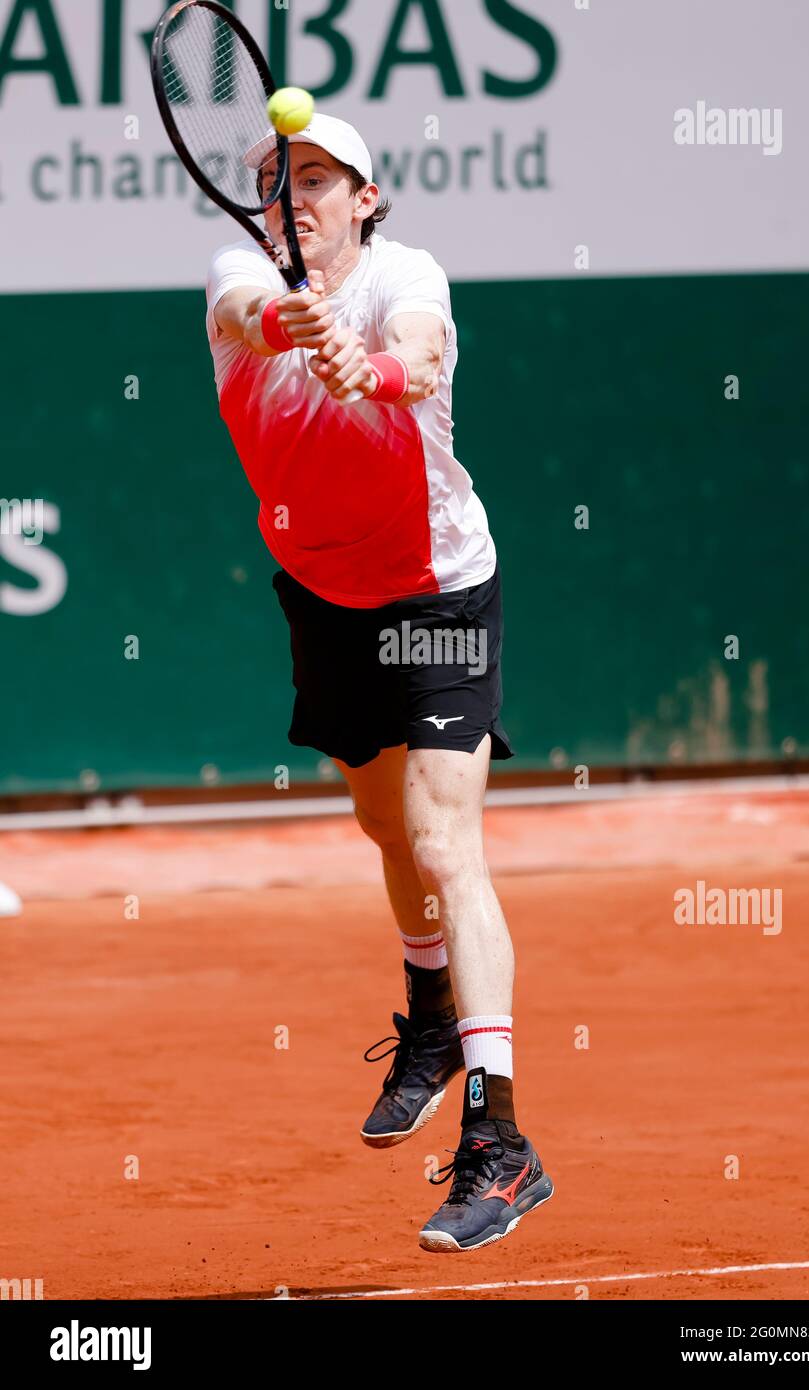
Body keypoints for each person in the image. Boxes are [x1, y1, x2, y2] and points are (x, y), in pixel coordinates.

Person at [204, 112, 552, 1251]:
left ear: (365, 195)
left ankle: (500, 1145)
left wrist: (377, 364)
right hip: (324, 598)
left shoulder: (410, 273)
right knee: (382, 827)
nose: (291, 196)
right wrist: (282, 317)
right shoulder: (238, 278)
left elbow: (423, 346)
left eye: (314, 176)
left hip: (439, 588)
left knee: (443, 838)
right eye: (273, 183)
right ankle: (431, 1018)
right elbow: (240, 313)